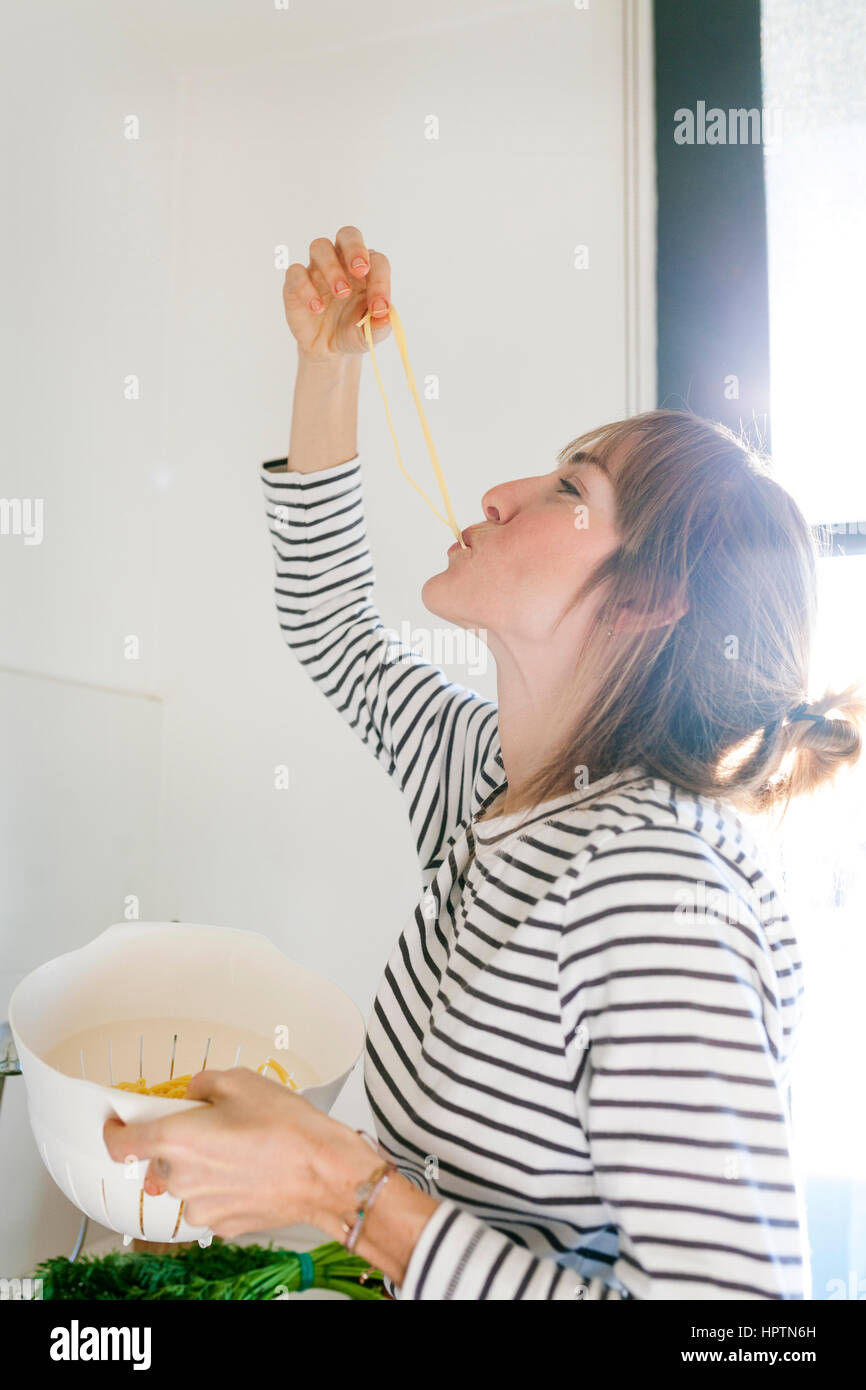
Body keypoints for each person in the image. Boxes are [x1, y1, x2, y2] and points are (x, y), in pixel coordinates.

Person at [105, 225, 864, 1300]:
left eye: (569, 489)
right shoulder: (501, 783)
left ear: (651, 598)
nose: (502, 492)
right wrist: (329, 362)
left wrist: (343, 1191)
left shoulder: (655, 891)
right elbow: (332, 626)